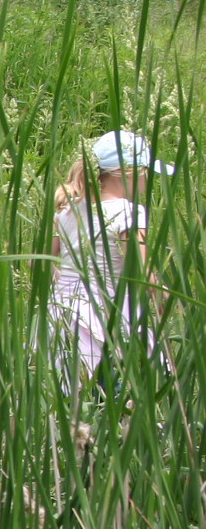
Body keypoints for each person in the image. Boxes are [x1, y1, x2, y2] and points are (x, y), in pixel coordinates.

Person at [48, 129, 173, 393]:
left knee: (70, 403)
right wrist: (164, 303)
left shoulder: (69, 210)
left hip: (61, 316)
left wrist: (68, 282)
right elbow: (142, 271)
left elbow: (39, 264)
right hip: (105, 322)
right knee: (113, 404)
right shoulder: (127, 213)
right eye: (146, 173)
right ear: (130, 173)